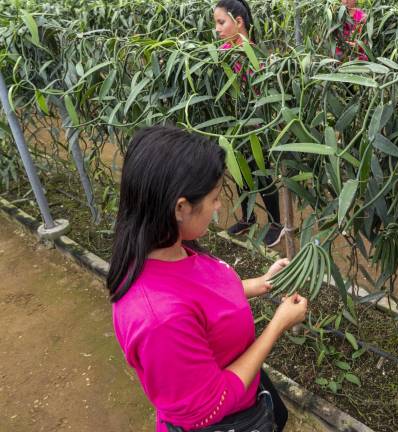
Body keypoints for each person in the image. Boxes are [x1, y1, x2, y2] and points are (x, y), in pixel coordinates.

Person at [107, 126, 308, 432]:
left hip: (249, 392)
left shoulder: (165, 249)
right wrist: (278, 324)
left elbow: (202, 300)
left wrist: (261, 283)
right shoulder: (159, 321)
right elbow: (210, 406)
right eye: (214, 198)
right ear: (180, 207)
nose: (218, 206)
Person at [214, 0, 284, 246]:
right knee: (239, 171)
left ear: (239, 22)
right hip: (235, 126)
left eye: (221, 22)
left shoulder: (254, 56)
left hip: (255, 126)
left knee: (261, 172)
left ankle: (276, 223)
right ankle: (248, 217)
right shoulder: (223, 52)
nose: (217, 29)